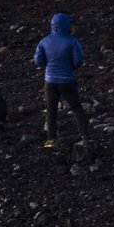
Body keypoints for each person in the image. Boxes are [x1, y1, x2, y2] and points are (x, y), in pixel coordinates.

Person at [34, 12, 90, 148]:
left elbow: (38, 60)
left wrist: (48, 66)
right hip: (67, 80)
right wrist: (70, 67)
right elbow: (78, 60)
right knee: (77, 108)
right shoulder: (72, 41)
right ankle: (86, 136)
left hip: (50, 80)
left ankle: (51, 139)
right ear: (67, 25)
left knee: (51, 110)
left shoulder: (44, 41)